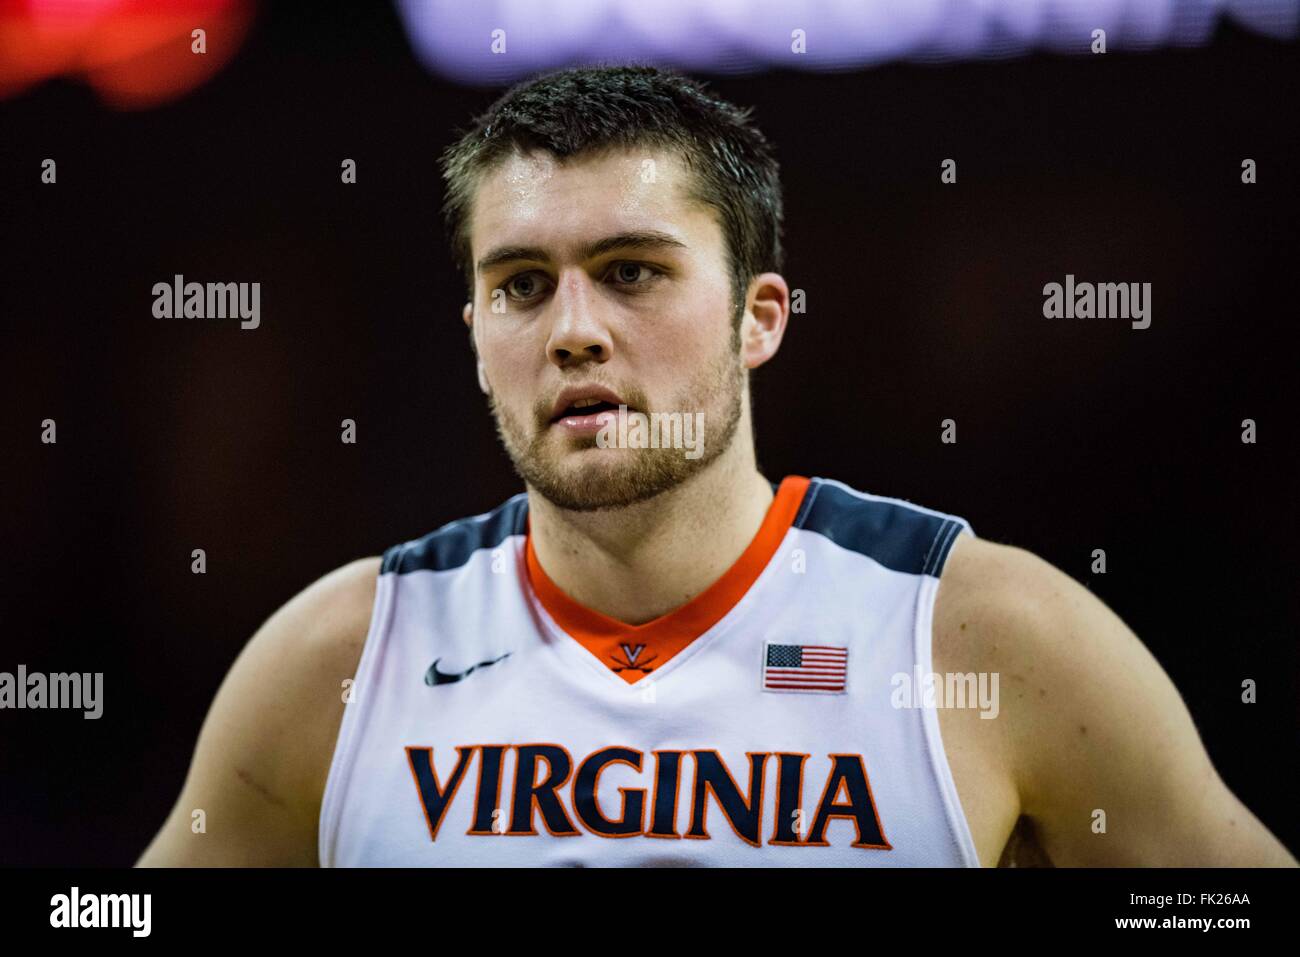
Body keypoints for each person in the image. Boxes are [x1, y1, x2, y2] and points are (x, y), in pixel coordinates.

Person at [138, 65, 1295, 867]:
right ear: (476, 334)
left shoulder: (987, 637)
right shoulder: (334, 661)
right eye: (522, 286)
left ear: (760, 319)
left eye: (632, 270)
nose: (573, 330)